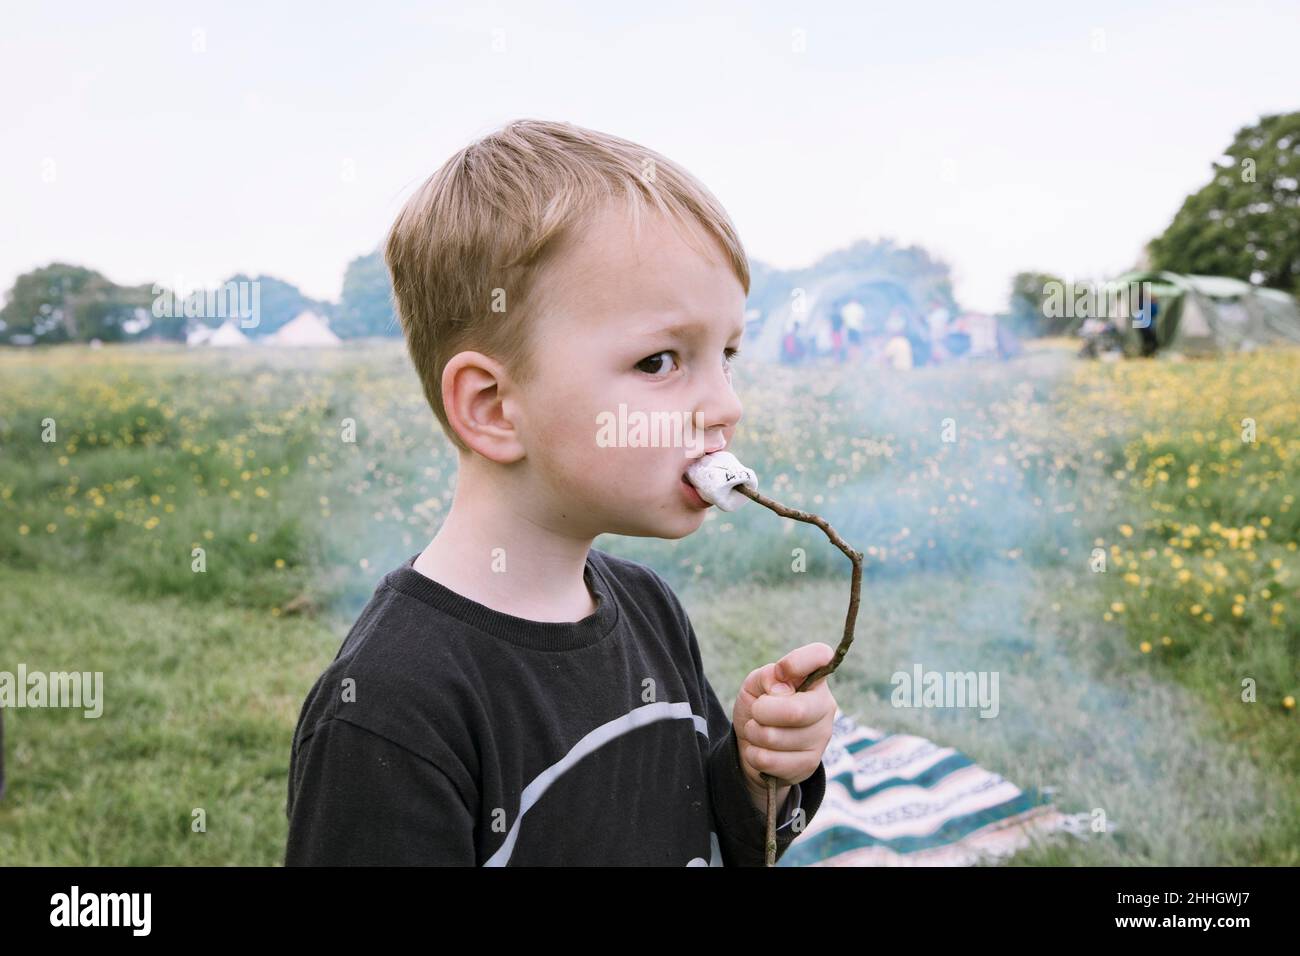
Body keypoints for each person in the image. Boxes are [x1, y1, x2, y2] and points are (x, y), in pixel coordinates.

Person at [284, 119, 834, 866]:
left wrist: (756, 774)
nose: (726, 405)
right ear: (492, 408)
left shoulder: (649, 610)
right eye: (660, 361)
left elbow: (707, 832)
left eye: (727, 355)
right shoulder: (392, 708)